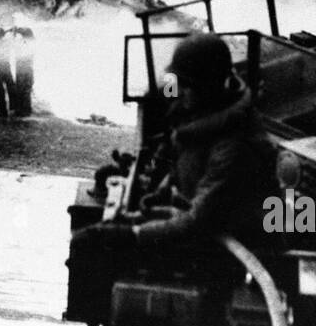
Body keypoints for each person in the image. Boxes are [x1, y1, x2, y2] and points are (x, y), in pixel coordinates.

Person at [76, 34, 263, 254]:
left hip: (234, 247)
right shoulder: (203, 113)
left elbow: (199, 222)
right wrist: (163, 190)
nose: (176, 91)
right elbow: (181, 152)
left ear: (209, 88)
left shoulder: (233, 147)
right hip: (201, 224)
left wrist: (132, 235)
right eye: (176, 82)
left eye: (186, 85)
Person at [0, 28, 16, 118]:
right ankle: (13, 108)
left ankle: (3, 111)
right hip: (7, 65)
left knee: (0, 90)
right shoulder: (7, 42)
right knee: (11, 87)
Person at [13, 27, 35, 115]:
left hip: (21, 69)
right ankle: (27, 109)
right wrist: (16, 30)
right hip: (29, 69)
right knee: (27, 89)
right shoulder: (32, 41)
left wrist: (14, 32)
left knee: (20, 89)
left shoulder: (21, 43)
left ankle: (20, 110)